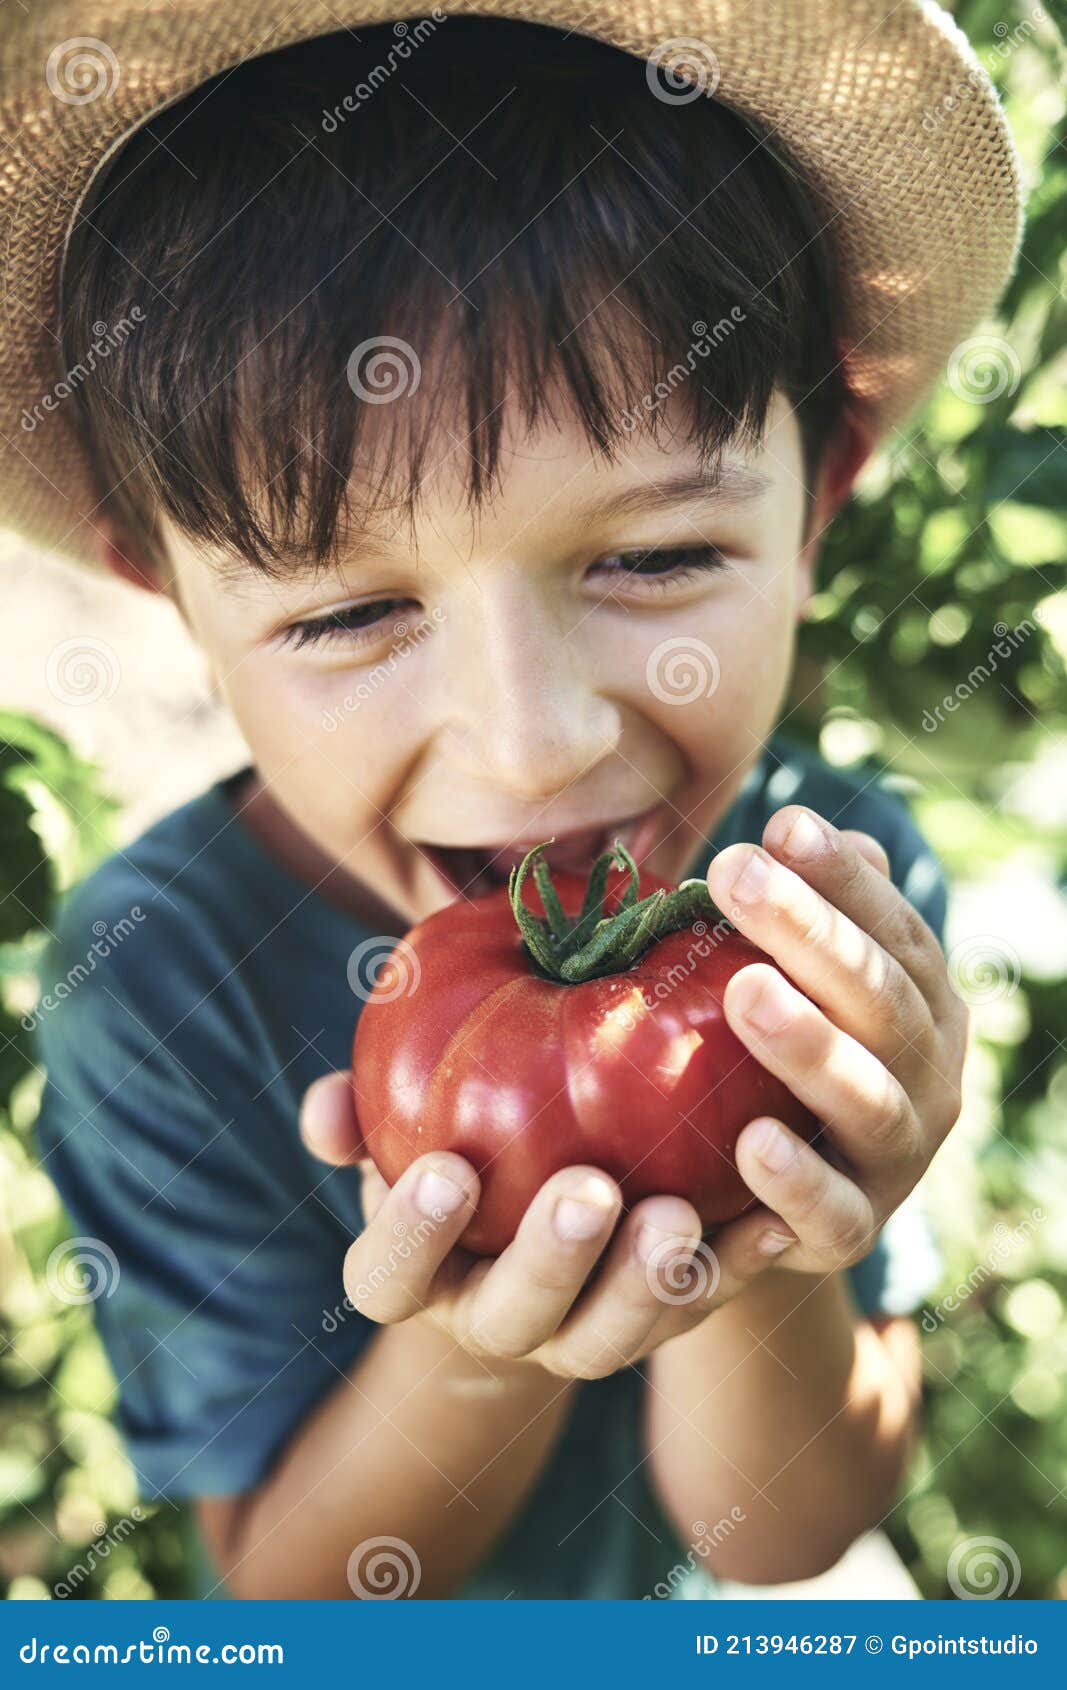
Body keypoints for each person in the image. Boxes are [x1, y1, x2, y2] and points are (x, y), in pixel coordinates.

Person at [9, 5, 1022, 1599]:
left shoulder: (832, 897)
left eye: (660, 557)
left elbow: (783, 1534)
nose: (537, 745)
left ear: (818, 503)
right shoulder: (150, 977)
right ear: (170, 600)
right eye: (347, 613)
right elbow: (292, 1597)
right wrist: (473, 1346)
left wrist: (778, 1252)